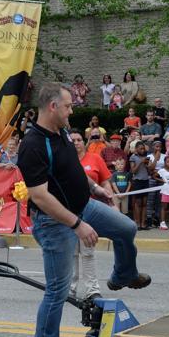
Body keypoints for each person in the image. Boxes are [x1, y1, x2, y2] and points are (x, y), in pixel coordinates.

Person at [17, 82, 151, 337]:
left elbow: (73, 170)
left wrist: (95, 189)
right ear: (52, 107)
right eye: (68, 106)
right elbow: (39, 196)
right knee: (57, 291)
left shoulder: (61, 132)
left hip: (83, 206)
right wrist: (77, 225)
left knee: (126, 228)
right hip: (54, 223)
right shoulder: (33, 145)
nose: (72, 110)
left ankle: (123, 274)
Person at [68, 129, 114, 301]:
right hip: (69, 212)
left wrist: (109, 198)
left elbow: (105, 181)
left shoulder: (94, 159)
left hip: (90, 211)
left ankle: (91, 290)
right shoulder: (64, 161)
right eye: (72, 140)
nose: (76, 143)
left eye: (79, 139)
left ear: (84, 142)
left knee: (88, 252)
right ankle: (70, 290)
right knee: (71, 252)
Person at [129, 141, 151, 228]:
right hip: (137, 181)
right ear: (136, 149)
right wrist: (140, 162)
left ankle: (143, 223)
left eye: (143, 149)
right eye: (140, 149)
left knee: (144, 203)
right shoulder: (133, 157)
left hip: (145, 181)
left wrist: (147, 165)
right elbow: (133, 171)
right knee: (138, 203)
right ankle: (137, 223)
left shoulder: (146, 157)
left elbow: (149, 171)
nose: (142, 150)